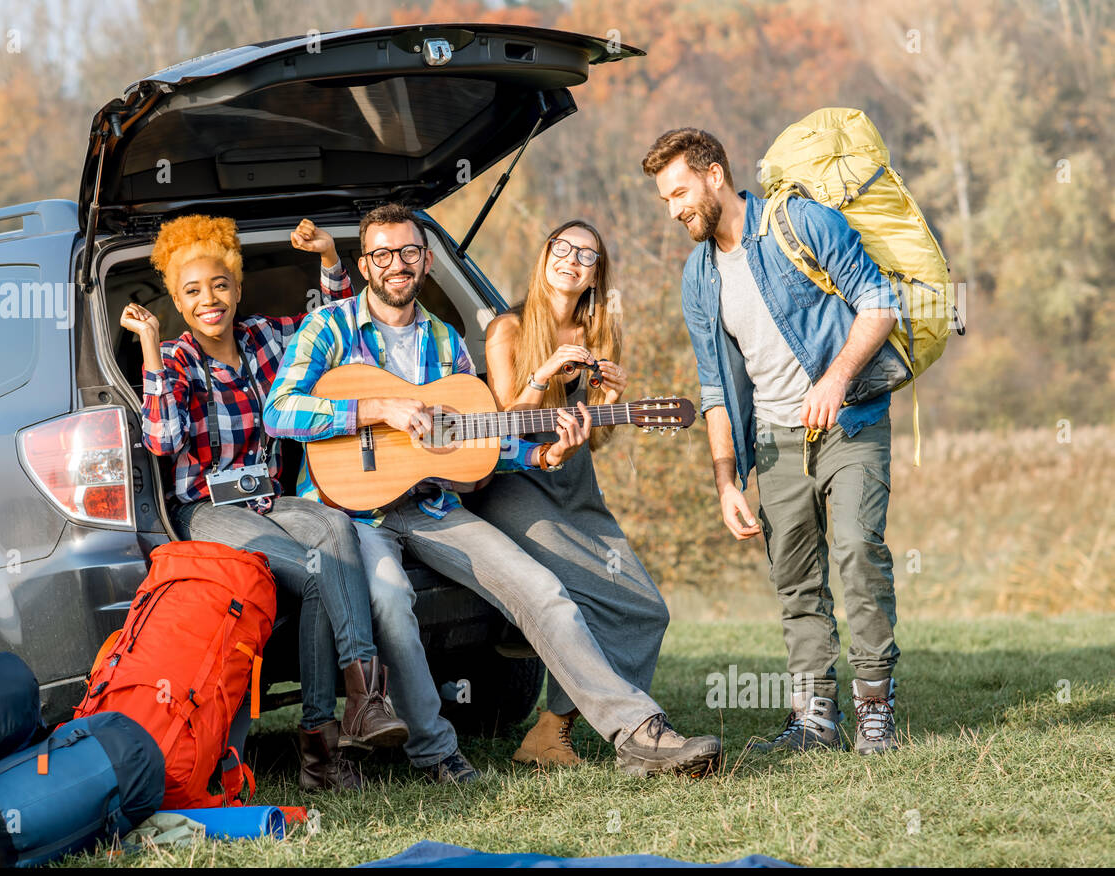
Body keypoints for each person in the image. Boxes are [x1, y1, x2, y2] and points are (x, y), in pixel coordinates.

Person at [264, 202, 723, 783]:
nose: (396, 264)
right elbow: (279, 411)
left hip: (433, 506)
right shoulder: (328, 328)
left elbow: (477, 440)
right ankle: (436, 752)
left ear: (426, 261)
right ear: (365, 264)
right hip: (354, 511)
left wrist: (542, 453)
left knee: (544, 590)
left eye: (408, 252)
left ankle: (637, 732)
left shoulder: (446, 340)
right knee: (392, 600)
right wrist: (378, 408)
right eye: (382, 254)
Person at [120, 213, 407, 791]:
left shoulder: (264, 339)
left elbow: (333, 328)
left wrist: (330, 260)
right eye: (193, 291)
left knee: (334, 527)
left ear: (237, 286)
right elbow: (161, 440)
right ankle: (324, 744)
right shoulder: (175, 359)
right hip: (204, 510)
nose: (210, 300)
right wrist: (150, 349)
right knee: (317, 570)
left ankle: (361, 705)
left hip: (268, 499)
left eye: (220, 285)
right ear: (177, 297)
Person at [643, 128, 904, 754]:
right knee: (795, 579)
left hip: (851, 422)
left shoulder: (800, 223)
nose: (675, 209)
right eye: (665, 201)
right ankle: (815, 719)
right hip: (776, 439)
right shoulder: (698, 276)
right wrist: (727, 479)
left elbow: (879, 301)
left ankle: (874, 707)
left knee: (858, 553)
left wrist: (836, 380)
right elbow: (714, 386)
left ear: (714, 173)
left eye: (680, 192)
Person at [462, 220, 670, 768]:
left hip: (574, 481)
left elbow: (594, 436)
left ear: (598, 275)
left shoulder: (598, 335)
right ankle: (599, 730)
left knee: (647, 608)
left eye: (588, 255)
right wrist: (545, 372)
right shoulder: (507, 328)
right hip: (513, 484)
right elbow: (503, 424)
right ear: (545, 254)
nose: (572, 260)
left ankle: (550, 729)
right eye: (563, 248)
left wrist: (608, 406)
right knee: (581, 591)